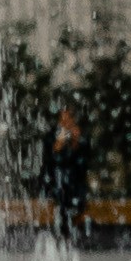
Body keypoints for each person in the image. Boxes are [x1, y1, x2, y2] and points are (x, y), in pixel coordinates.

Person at [40, 101, 91, 247]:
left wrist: (76, 141)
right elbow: (50, 158)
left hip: (76, 179)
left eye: (68, 119)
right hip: (59, 179)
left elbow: (84, 158)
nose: (66, 122)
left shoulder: (79, 134)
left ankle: (73, 231)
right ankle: (64, 234)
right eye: (63, 119)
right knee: (62, 202)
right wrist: (59, 144)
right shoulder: (53, 135)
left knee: (75, 202)